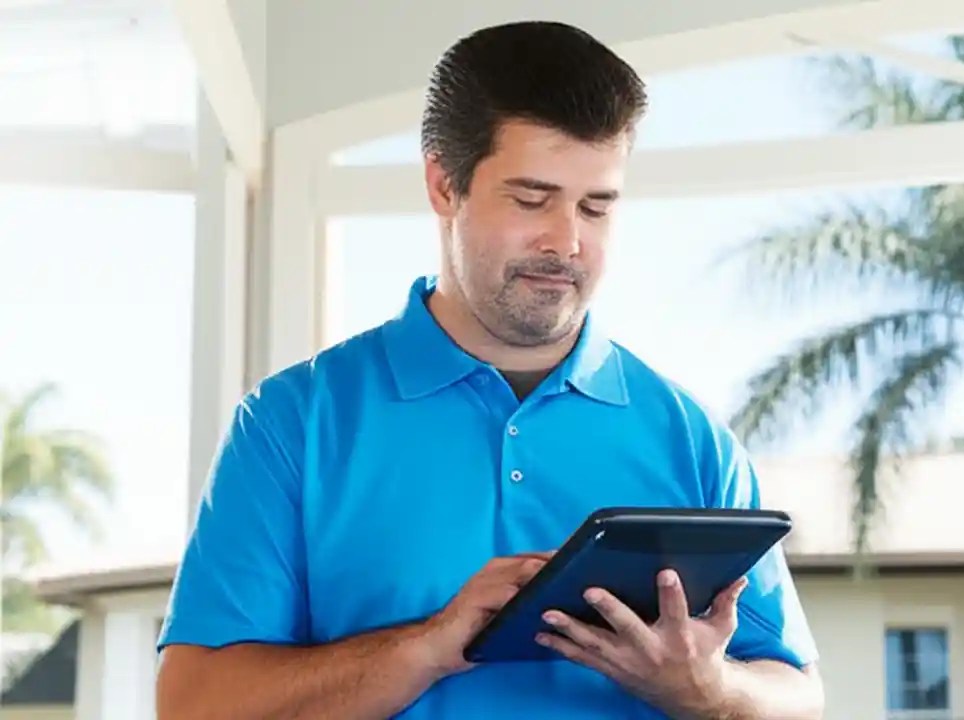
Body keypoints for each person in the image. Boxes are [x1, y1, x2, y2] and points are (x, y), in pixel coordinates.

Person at [154, 19, 824, 720]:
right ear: (444, 185)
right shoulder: (293, 423)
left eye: (596, 207)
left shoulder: (693, 441)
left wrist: (709, 691)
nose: (566, 241)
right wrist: (426, 647)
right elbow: (193, 706)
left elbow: (799, 696)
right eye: (531, 200)